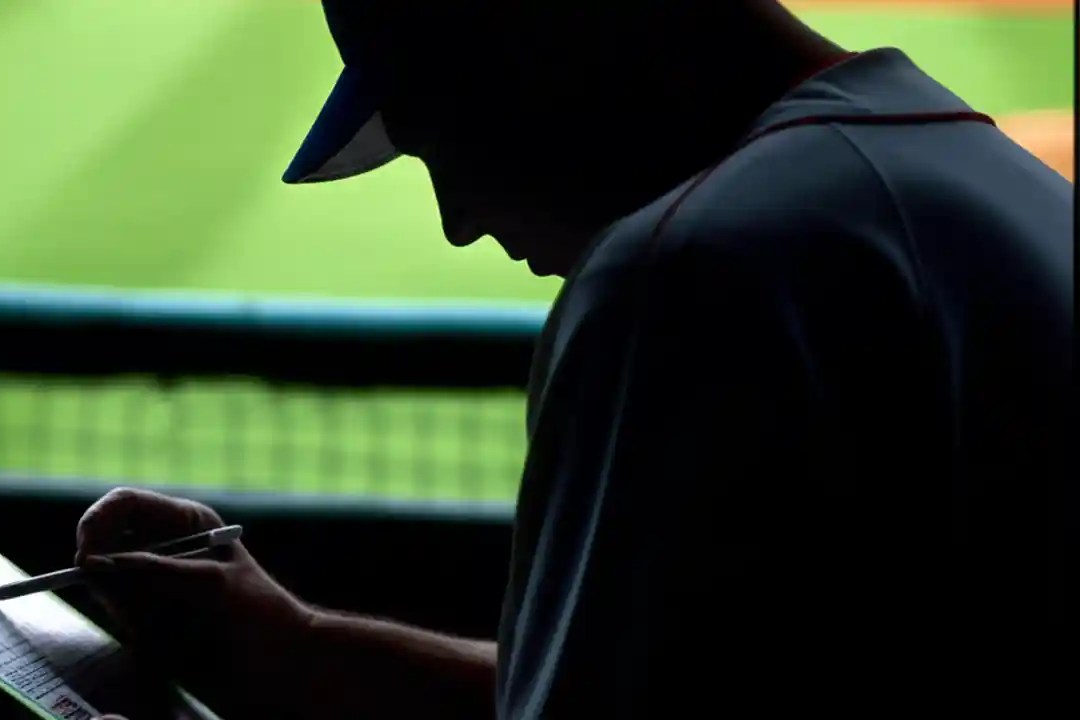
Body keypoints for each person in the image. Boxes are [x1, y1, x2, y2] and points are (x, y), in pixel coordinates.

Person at [79, 0, 1073, 717]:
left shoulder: (701, 268)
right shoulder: (977, 174)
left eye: (443, 132)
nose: (458, 220)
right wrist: (289, 644)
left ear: (542, 40)